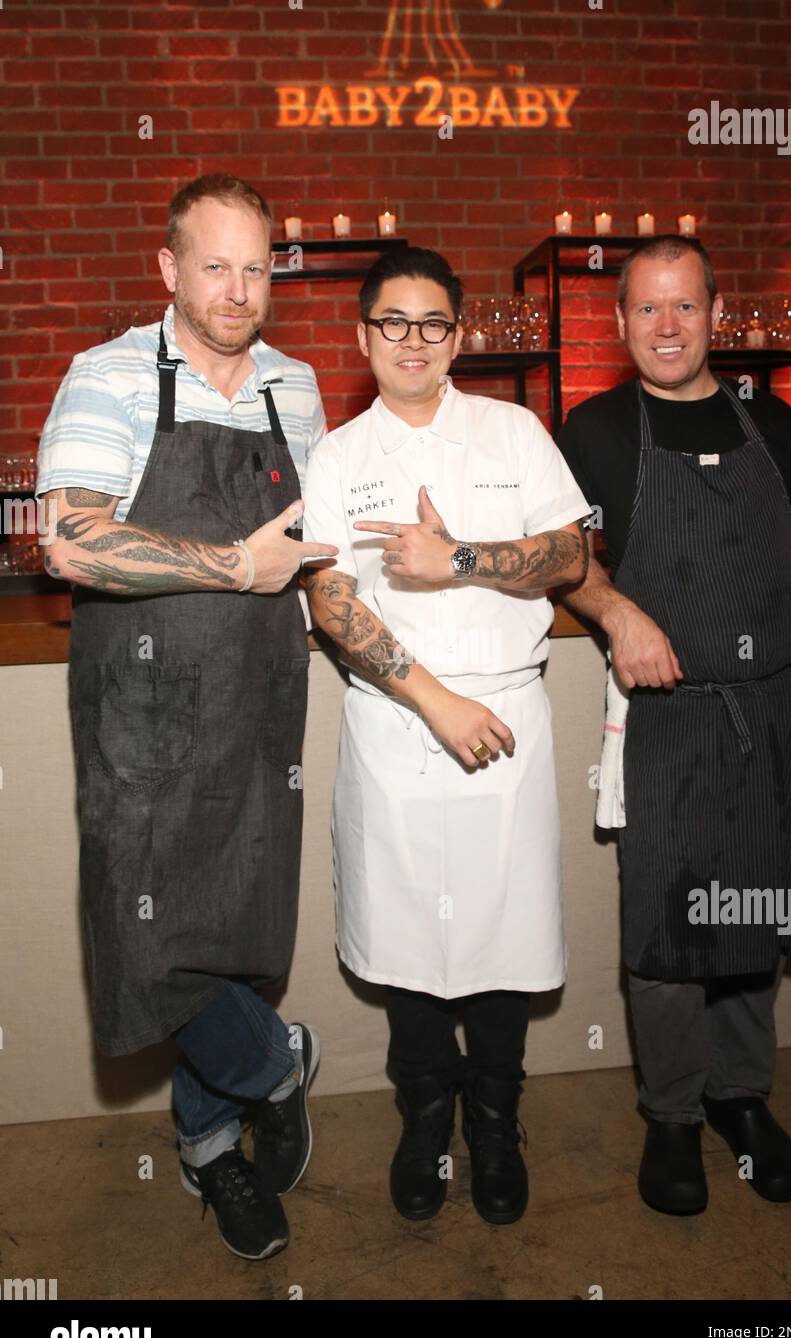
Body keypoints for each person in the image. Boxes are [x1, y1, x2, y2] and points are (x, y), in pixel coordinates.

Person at [37, 173, 338, 1261]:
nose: (238, 288)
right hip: (144, 713)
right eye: (215, 265)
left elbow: (307, 554)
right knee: (147, 935)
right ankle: (274, 1061)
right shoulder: (108, 375)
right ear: (169, 268)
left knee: (243, 936)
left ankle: (215, 1154)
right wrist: (232, 564)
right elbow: (69, 541)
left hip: (259, 705)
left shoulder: (294, 387)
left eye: (258, 267)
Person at [558, 235, 791, 1214]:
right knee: (666, 926)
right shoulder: (594, 429)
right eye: (646, 308)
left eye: (684, 306)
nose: (666, 326)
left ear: (715, 315)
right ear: (617, 324)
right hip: (670, 715)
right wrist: (618, 610)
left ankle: (742, 1099)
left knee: (758, 913)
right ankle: (673, 1116)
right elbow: (560, 557)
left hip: (777, 705)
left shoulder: (772, 422)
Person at [301, 246, 590, 1225]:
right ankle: (425, 1116)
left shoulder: (514, 433)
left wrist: (456, 556)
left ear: (458, 336)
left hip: (508, 724)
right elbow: (331, 604)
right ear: (363, 337)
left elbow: (568, 552)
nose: (412, 340)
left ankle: (496, 1122)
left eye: (432, 323)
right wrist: (435, 702)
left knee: (504, 947)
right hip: (397, 733)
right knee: (410, 951)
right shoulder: (339, 456)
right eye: (393, 322)